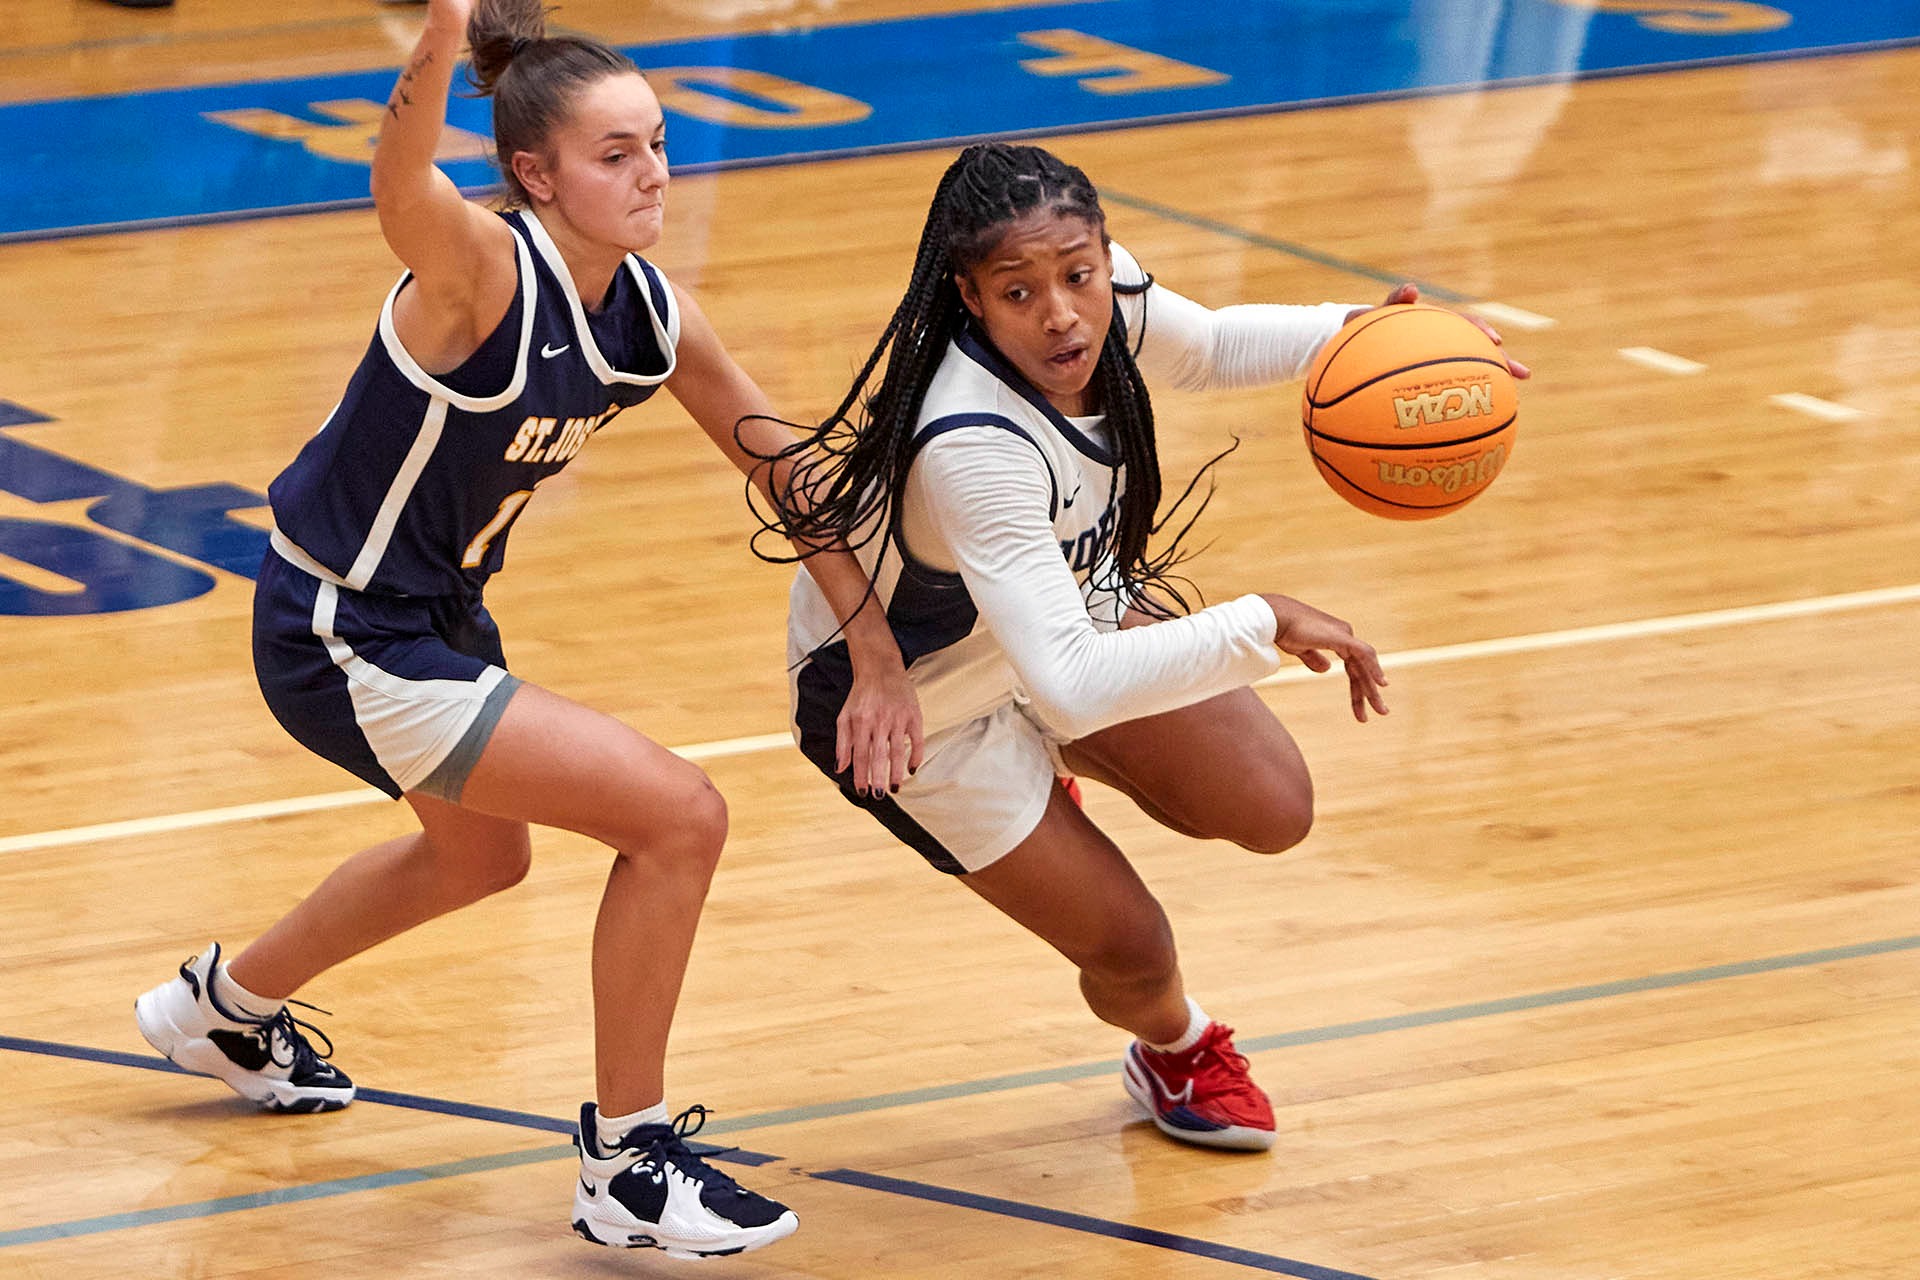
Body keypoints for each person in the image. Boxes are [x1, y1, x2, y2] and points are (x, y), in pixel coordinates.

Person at [133, 0, 920, 1260]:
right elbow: (398, 181)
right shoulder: (480, 273)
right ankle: (627, 1160)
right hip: (341, 622)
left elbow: (784, 467)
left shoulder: (651, 312)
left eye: (658, 143)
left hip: (434, 613)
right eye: (616, 155)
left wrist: (875, 645)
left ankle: (217, 1010)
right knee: (680, 815)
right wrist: (438, 33)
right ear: (533, 176)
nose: (654, 172)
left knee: (477, 860)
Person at [757, 142, 1527, 1152]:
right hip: (919, 705)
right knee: (1131, 947)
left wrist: (1377, 337)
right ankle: (1176, 1045)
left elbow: (1206, 346)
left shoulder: (1097, 300)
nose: (1063, 311)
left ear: (1102, 252)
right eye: (1019, 291)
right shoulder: (972, 444)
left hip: (1055, 622)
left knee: (1272, 805)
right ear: (970, 298)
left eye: (1078, 274)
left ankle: (1050, 786)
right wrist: (1268, 620)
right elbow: (1075, 685)